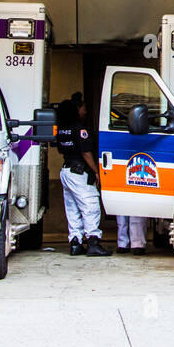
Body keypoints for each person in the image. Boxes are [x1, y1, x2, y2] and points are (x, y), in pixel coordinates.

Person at [56, 92, 110, 257]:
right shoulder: (80, 130)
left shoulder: (62, 129)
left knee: (72, 208)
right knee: (90, 206)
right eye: (83, 107)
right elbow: (86, 153)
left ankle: (75, 243)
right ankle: (93, 242)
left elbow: (60, 149)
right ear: (77, 110)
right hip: (79, 173)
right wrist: (96, 171)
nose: (85, 111)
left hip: (66, 170)